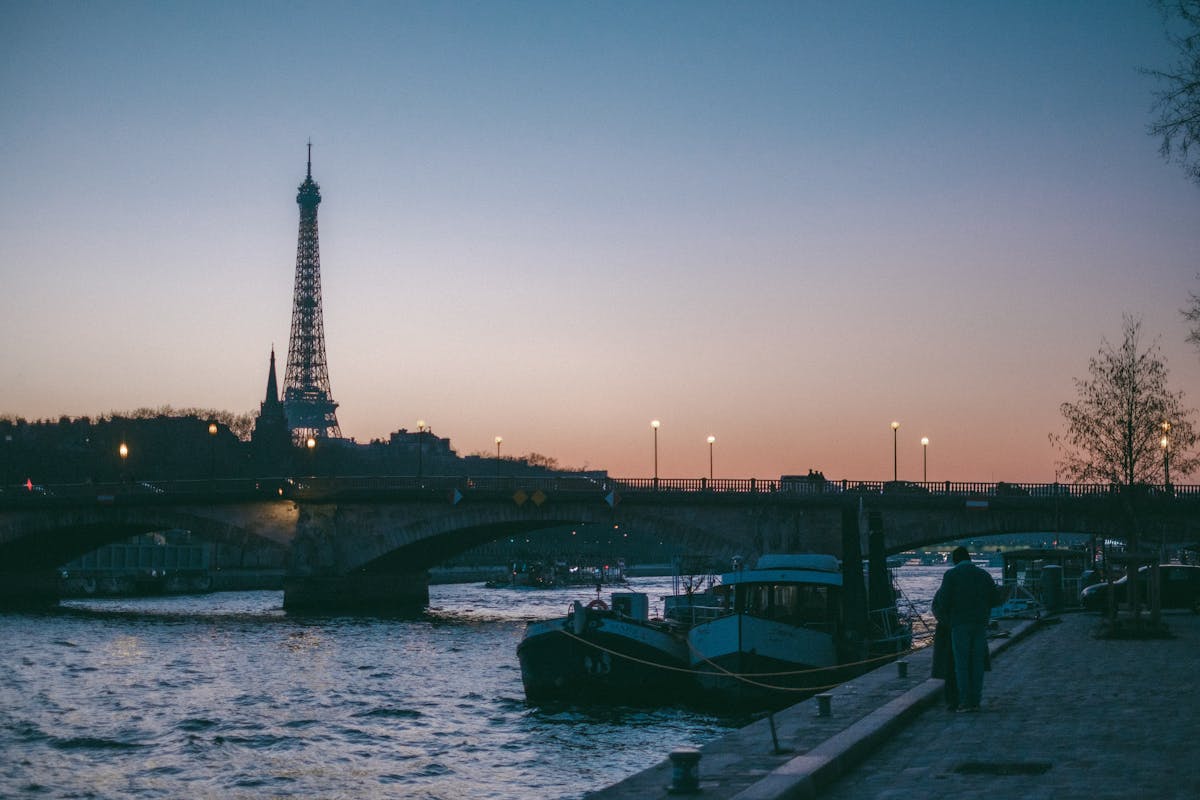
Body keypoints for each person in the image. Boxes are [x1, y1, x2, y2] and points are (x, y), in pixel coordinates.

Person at [931, 547, 1000, 712]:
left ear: (955, 560)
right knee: (977, 663)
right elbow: (996, 600)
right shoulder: (984, 575)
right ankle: (976, 699)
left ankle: (965, 701)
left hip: (960, 624)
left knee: (961, 664)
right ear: (970, 558)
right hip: (980, 624)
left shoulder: (951, 575)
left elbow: (943, 602)